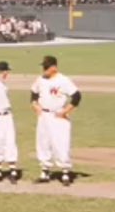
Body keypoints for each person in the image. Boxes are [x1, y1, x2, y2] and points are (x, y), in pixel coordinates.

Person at [31, 55, 82, 186]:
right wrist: (35, 105)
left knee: (61, 143)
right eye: (43, 67)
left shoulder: (63, 80)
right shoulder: (40, 80)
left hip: (58, 116)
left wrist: (65, 111)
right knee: (43, 143)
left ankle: (65, 173)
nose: (44, 69)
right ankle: (44, 172)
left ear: (54, 67)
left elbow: (76, 96)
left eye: (47, 67)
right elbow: (33, 94)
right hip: (44, 115)